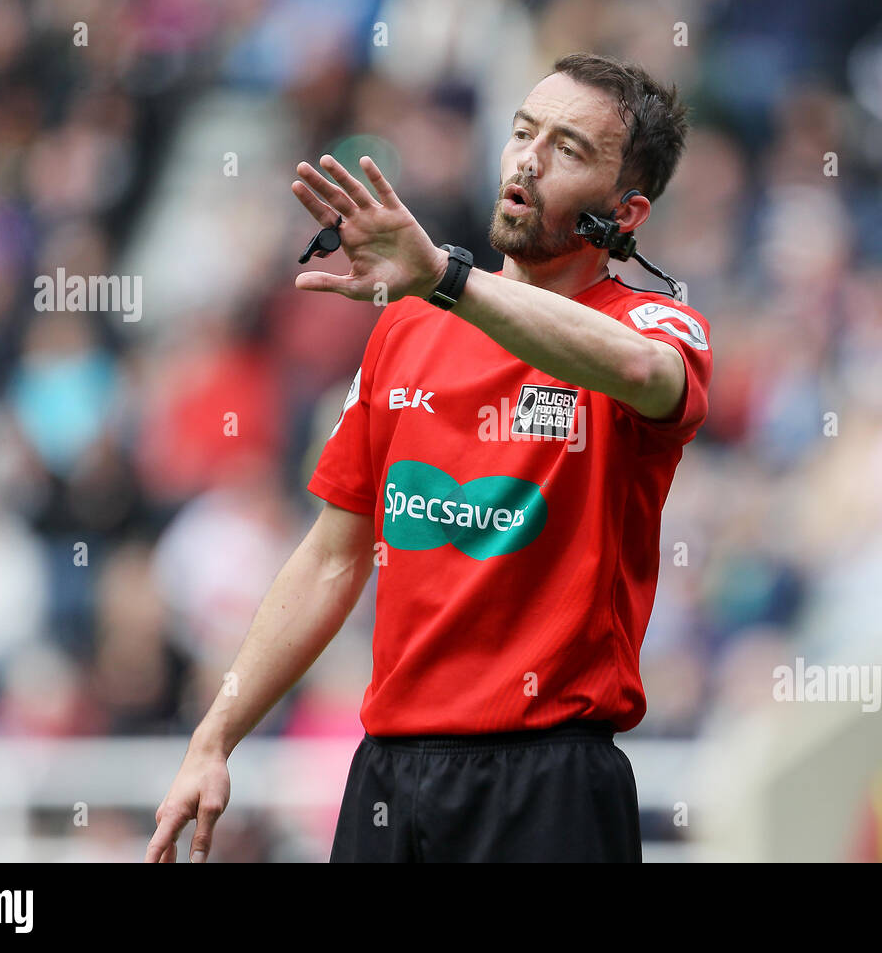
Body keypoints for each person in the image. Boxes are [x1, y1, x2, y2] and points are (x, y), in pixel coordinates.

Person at [146, 52, 712, 863]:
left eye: (568, 149)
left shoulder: (658, 329)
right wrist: (215, 734)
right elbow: (333, 558)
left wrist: (447, 281)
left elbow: (640, 371)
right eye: (523, 132)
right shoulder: (409, 329)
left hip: (549, 781)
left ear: (625, 214)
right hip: (391, 779)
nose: (527, 159)